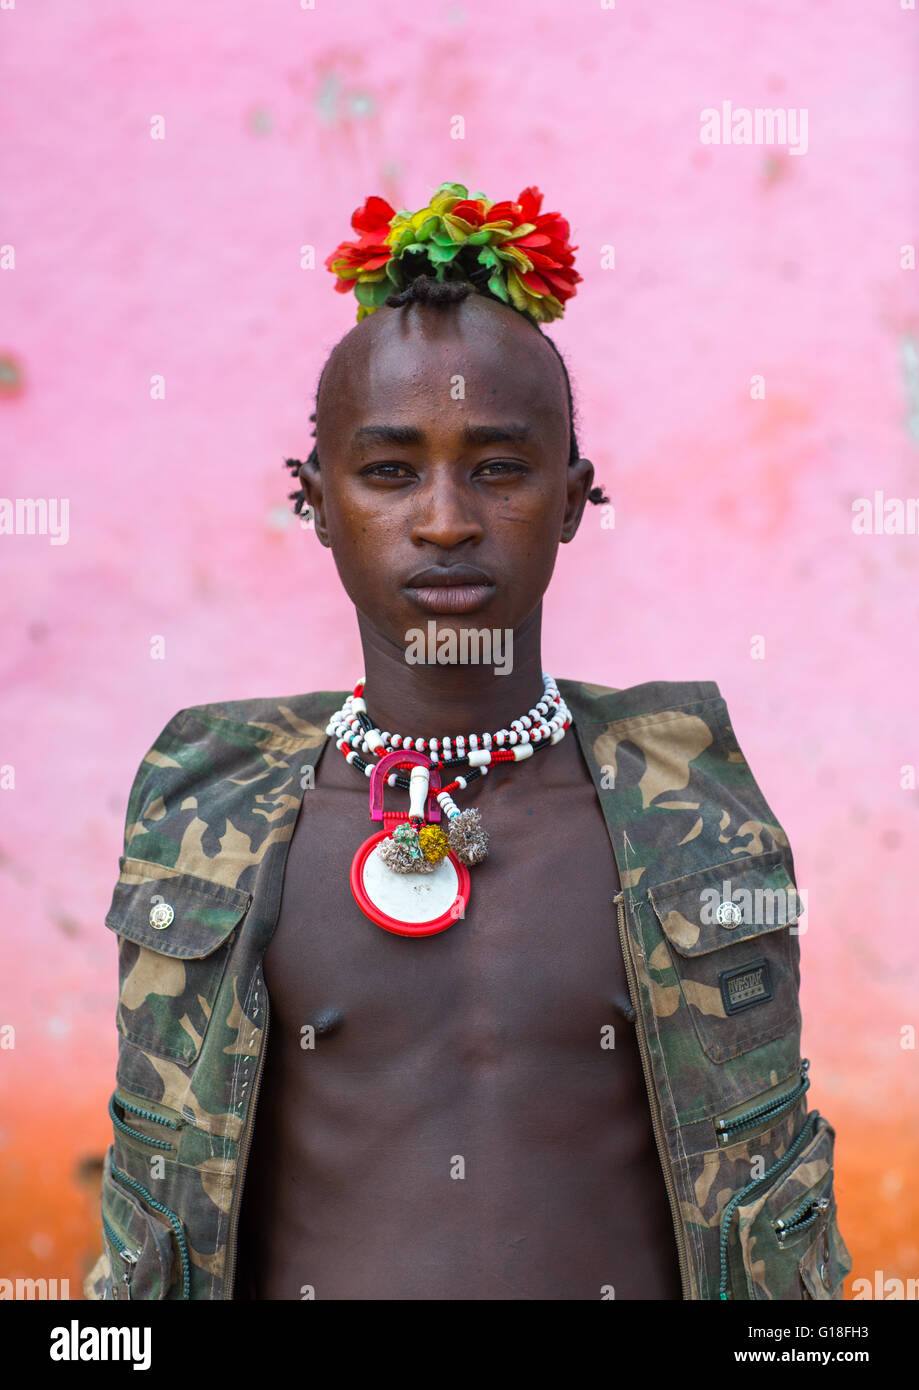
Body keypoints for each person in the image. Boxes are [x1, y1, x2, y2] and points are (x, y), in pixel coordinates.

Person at [85, 182, 851, 1301]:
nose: (445, 518)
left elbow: (772, 1217)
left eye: (497, 466)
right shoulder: (214, 826)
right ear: (315, 502)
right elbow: (152, 1225)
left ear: (574, 499)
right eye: (390, 470)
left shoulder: (690, 820)